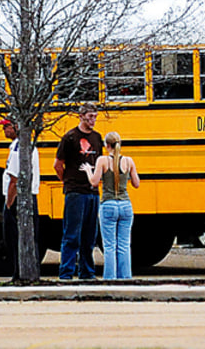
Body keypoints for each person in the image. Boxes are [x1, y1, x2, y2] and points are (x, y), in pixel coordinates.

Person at [80, 131, 141, 280]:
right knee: (124, 245)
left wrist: (88, 170)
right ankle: (125, 278)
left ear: (107, 145)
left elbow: (94, 182)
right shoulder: (128, 161)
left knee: (109, 246)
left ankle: (110, 278)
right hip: (125, 205)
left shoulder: (102, 160)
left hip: (108, 204)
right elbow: (136, 183)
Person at [54, 104, 103, 280]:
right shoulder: (70, 138)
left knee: (90, 235)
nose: (93, 120)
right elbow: (58, 164)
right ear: (81, 116)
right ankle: (66, 272)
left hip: (92, 191)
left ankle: (87, 271)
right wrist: (67, 181)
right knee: (72, 234)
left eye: (95, 116)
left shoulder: (97, 137)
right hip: (75, 190)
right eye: (90, 116)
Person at [1, 117, 40, 281]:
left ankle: (19, 274)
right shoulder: (25, 145)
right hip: (28, 196)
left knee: (15, 238)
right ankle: (27, 273)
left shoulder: (19, 148)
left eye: (7, 126)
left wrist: (8, 204)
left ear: (17, 126)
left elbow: (14, 179)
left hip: (19, 198)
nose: (4, 130)